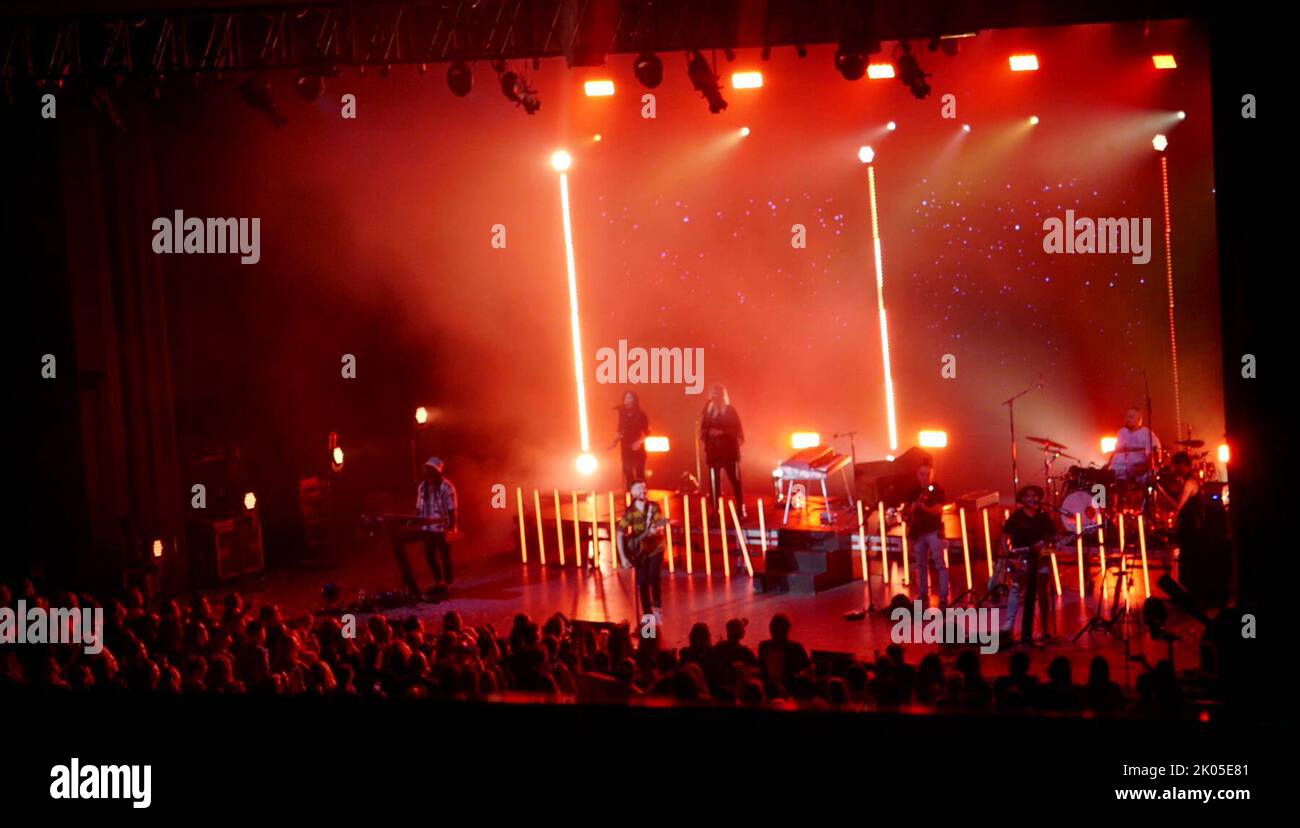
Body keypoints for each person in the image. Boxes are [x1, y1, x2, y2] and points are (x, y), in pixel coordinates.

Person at [1000, 485, 1058, 643]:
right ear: (1022, 499)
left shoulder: (1044, 516)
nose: (1032, 498)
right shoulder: (1017, 516)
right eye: (1028, 495)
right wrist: (1010, 556)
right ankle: (1009, 625)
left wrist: (1046, 551)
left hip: (1040, 560)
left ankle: (1045, 629)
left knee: (1043, 592)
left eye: (1035, 495)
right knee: (1016, 588)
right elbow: (1004, 537)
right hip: (1020, 559)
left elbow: (1052, 539)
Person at [617, 480, 667, 626]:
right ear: (632, 492)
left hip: (656, 547)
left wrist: (656, 530)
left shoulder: (654, 507)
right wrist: (623, 557)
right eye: (639, 488)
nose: (643, 490)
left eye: (644, 488)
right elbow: (619, 533)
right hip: (640, 552)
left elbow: (660, 525)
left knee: (653, 577)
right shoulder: (630, 512)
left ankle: (657, 610)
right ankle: (648, 622)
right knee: (642, 583)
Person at [902, 461, 947, 607]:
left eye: (928, 474)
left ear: (932, 474)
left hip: (933, 532)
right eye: (922, 474)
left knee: (939, 564)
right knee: (921, 565)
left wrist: (922, 507)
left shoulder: (937, 489)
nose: (925, 477)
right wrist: (912, 509)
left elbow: (938, 510)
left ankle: (943, 598)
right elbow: (905, 514)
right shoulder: (912, 491)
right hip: (918, 533)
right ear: (917, 474)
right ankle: (922, 595)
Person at [413, 457, 458, 595]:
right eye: (426, 471)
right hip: (428, 528)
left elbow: (452, 508)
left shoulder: (447, 487)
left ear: (437, 473)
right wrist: (415, 522)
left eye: (430, 471)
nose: (428, 475)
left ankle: (448, 583)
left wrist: (452, 527)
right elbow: (419, 508)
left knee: (445, 556)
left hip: (442, 528)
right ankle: (438, 581)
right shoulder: (422, 487)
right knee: (429, 555)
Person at [699, 382, 745, 517]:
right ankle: (715, 510)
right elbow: (703, 429)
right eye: (711, 393)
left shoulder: (729, 410)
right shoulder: (708, 411)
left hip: (729, 450)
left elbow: (736, 430)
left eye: (716, 393)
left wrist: (721, 432)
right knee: (714, 482)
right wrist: (706, 434)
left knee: (734, 480)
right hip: (714, 451)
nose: (713, 396)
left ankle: (740, 507)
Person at [608, 390, 651, 490]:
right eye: (625, 398)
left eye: (630, 398)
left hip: (638, 447)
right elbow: (620, 431)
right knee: (628, 472)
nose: (627, 400)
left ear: (634, 400)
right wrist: (614, 443)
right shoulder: (622, 414)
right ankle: (629, 494)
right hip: (625, 446)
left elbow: (647, 432)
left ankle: (641, 495)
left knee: (639, 471)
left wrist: (639, 442)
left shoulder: (641, 414)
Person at [1106, 406, 1161, 483]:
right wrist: (1108, 465)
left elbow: (1154, 458)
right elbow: (1116, 451)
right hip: (1118, 475)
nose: (1127, 419)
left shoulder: (1147, 435)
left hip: (1138, 478)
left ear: (1139, 420)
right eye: (1126, 416)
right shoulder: (1121, 432)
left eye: (1131, 417)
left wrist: (1142, 468)